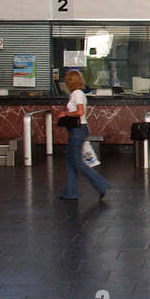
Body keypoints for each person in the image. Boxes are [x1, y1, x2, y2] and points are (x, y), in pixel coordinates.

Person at [59, 70, 110, 202]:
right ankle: (70, 192)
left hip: (78, 130)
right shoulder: (77, 94)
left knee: (77, 161)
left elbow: (80, 111)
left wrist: (65, 114)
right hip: (76, 129)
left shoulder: (77, 94)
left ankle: (101, 184)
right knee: (71, 162)